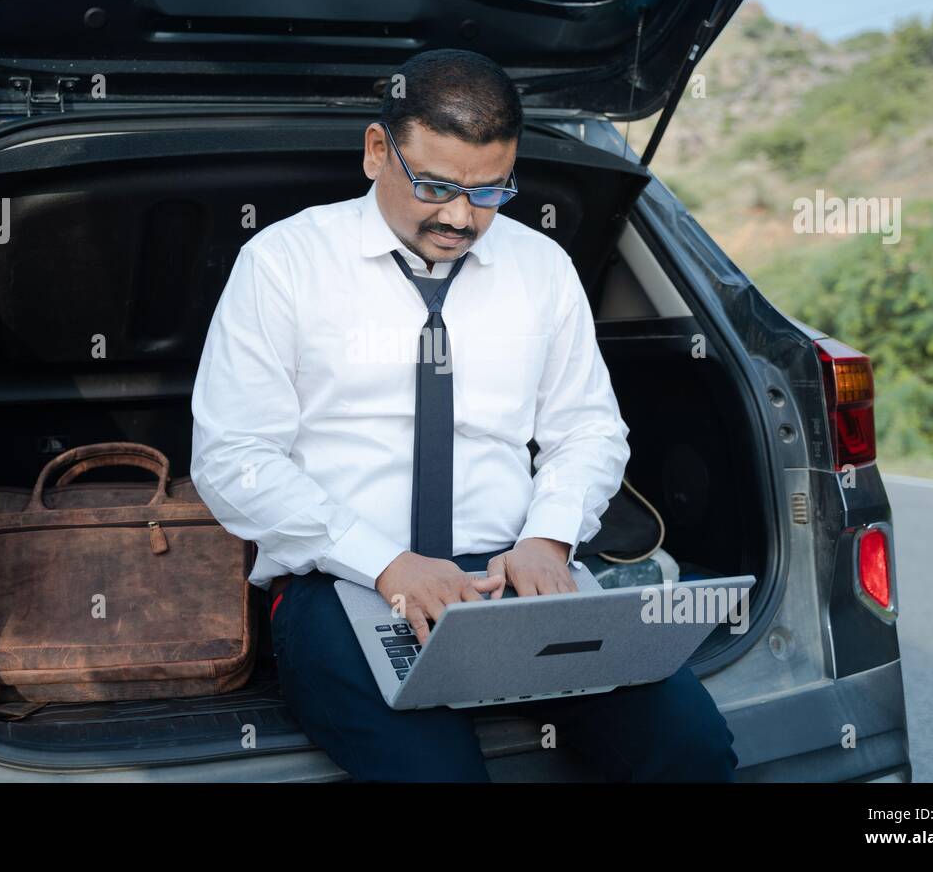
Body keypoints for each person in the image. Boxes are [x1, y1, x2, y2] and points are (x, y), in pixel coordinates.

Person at [190, 48, 739, 782]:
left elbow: (588, 429)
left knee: (690, 750)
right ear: (377, 150)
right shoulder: (283, 263)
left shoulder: (541, 267)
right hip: (346, 581)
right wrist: (387, 564)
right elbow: (235, 457)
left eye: (488, 192)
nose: (459, 217)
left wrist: (548, 540)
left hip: (518, 575)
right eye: (436, 186)